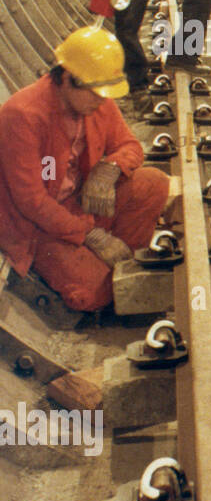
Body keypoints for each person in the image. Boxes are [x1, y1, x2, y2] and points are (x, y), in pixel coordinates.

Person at [0, 27, 170, 313]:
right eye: (96, 93)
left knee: (152, 183)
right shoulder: (23, 116)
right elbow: (33, 202)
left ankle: (118, 261)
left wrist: (110, 168)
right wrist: (90, 235)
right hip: (39, 227)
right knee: (92, 293)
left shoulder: (94, 100)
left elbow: (130, 146)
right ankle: (100, 266)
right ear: (67, 79)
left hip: (79, 206)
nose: (103, 101)